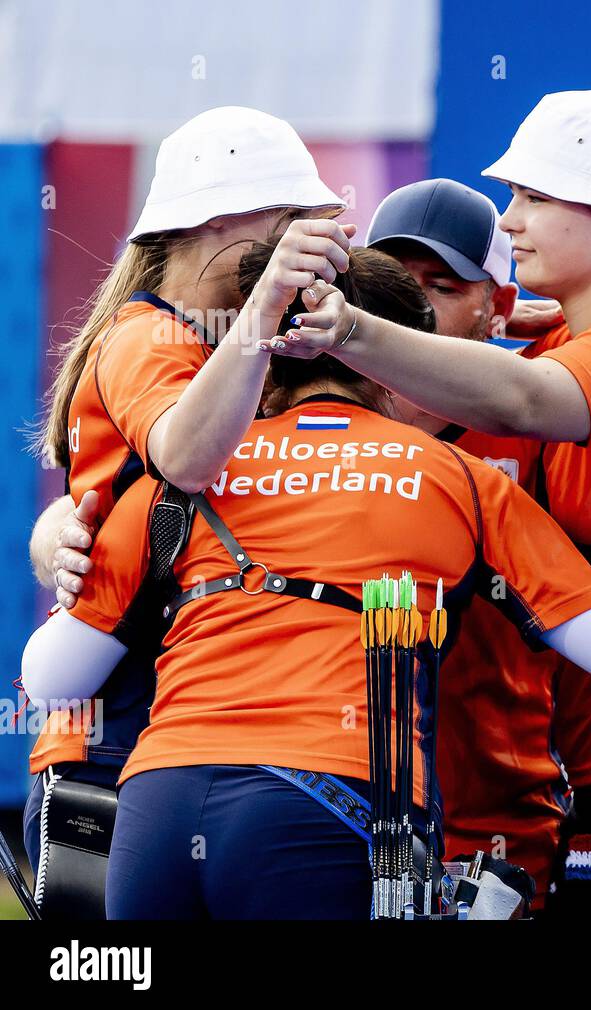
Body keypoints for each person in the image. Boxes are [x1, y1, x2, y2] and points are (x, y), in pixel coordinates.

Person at [21, 242, 591, 920]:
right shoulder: (458, 477)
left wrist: (58, 545)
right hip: (329, 802)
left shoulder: (185, 477)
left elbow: (54, 679)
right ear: (398, 367)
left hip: (159, 810)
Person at [258, 91, 591, 914]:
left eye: (534, 198)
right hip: (575, 777)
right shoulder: (548, 348)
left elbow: (521, 399)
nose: (510, 223)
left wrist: (351, 329)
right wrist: (67, 526)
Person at [20, 106, 351, 911]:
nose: (302, 240)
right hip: (111, 750)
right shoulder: (147, 338)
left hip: (164, 739)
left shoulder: (220, 346)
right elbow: (186, 455)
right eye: (288, 218)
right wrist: (271, 302)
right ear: (217, 220)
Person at [363, 178, 591, 905]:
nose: (413, 305)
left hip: (501, 832)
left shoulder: (543, 421)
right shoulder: (288, 402)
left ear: (497, 306)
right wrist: (55, 536)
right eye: (392, 282)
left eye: (442, 286)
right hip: (326, 809)